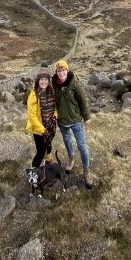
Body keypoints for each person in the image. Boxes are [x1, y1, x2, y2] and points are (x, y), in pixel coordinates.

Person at [52, 58, 93, 189]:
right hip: (62, 121)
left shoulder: (75, 83)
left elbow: (83, 100)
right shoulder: (55, 85)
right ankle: (71, 159)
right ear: (56, 72)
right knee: (67, 140)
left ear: (67, 70)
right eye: (58, 70)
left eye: (63, 69)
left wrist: (86, 117)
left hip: (76, 120)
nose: (61, 72)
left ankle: (86, 171)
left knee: (82, 146)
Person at [26, 62, 57, 168]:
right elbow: (32, 116)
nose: (44, 82)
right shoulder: (34, 95)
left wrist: (55, 116)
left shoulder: (50, 91)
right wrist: (43, 130)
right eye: (42, 80)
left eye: (46, 80)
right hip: (39, 129)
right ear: (38, 81)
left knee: (49, 144)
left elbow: (54, 107)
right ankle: (33, 172)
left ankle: (48, 161)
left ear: (48, 81)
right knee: (40, 152)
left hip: (50, 125)